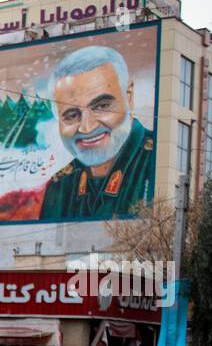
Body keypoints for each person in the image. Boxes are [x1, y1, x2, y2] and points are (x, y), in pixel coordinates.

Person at [39, 45, 157, 221]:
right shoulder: (59, 188)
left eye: (101, 106)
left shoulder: (156, 161)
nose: (87, 127)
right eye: (71, 115)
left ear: (129, 97)